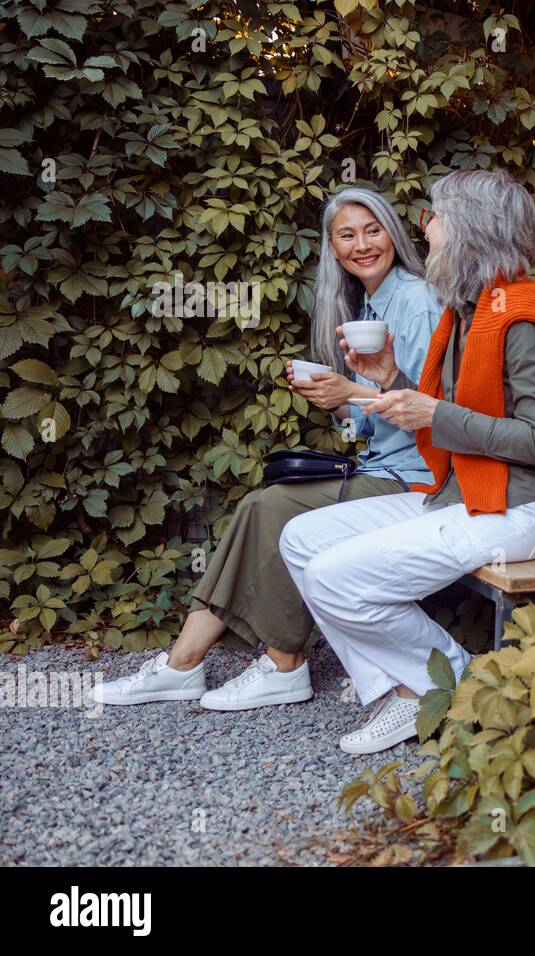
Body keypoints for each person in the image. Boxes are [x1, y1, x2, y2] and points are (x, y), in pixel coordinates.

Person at [279, 169, 535, 755]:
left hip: (521, 508)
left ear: (469, 229)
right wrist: (389, 382)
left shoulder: (522, 317)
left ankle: (450, 682)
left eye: (437, 217)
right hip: (461, 493)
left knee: (332, 576)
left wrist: (434, 413)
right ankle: (405, 688)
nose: (426, 227)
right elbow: (438, 412)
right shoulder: (464, 313)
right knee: (300, 539)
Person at [95, 188, 442, 709]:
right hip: (384, 464)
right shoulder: (366, 304)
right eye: (347, 235)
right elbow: (372, 423)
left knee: (271, 507)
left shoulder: (415, 299)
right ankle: (187, 663)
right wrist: (335, 403)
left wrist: (351, 392)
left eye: (373, 230)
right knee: (268, 501)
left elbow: (432, 408)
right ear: (332, 246)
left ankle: (268, 666)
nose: (363, 244)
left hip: (420, 477)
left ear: (394, 233)